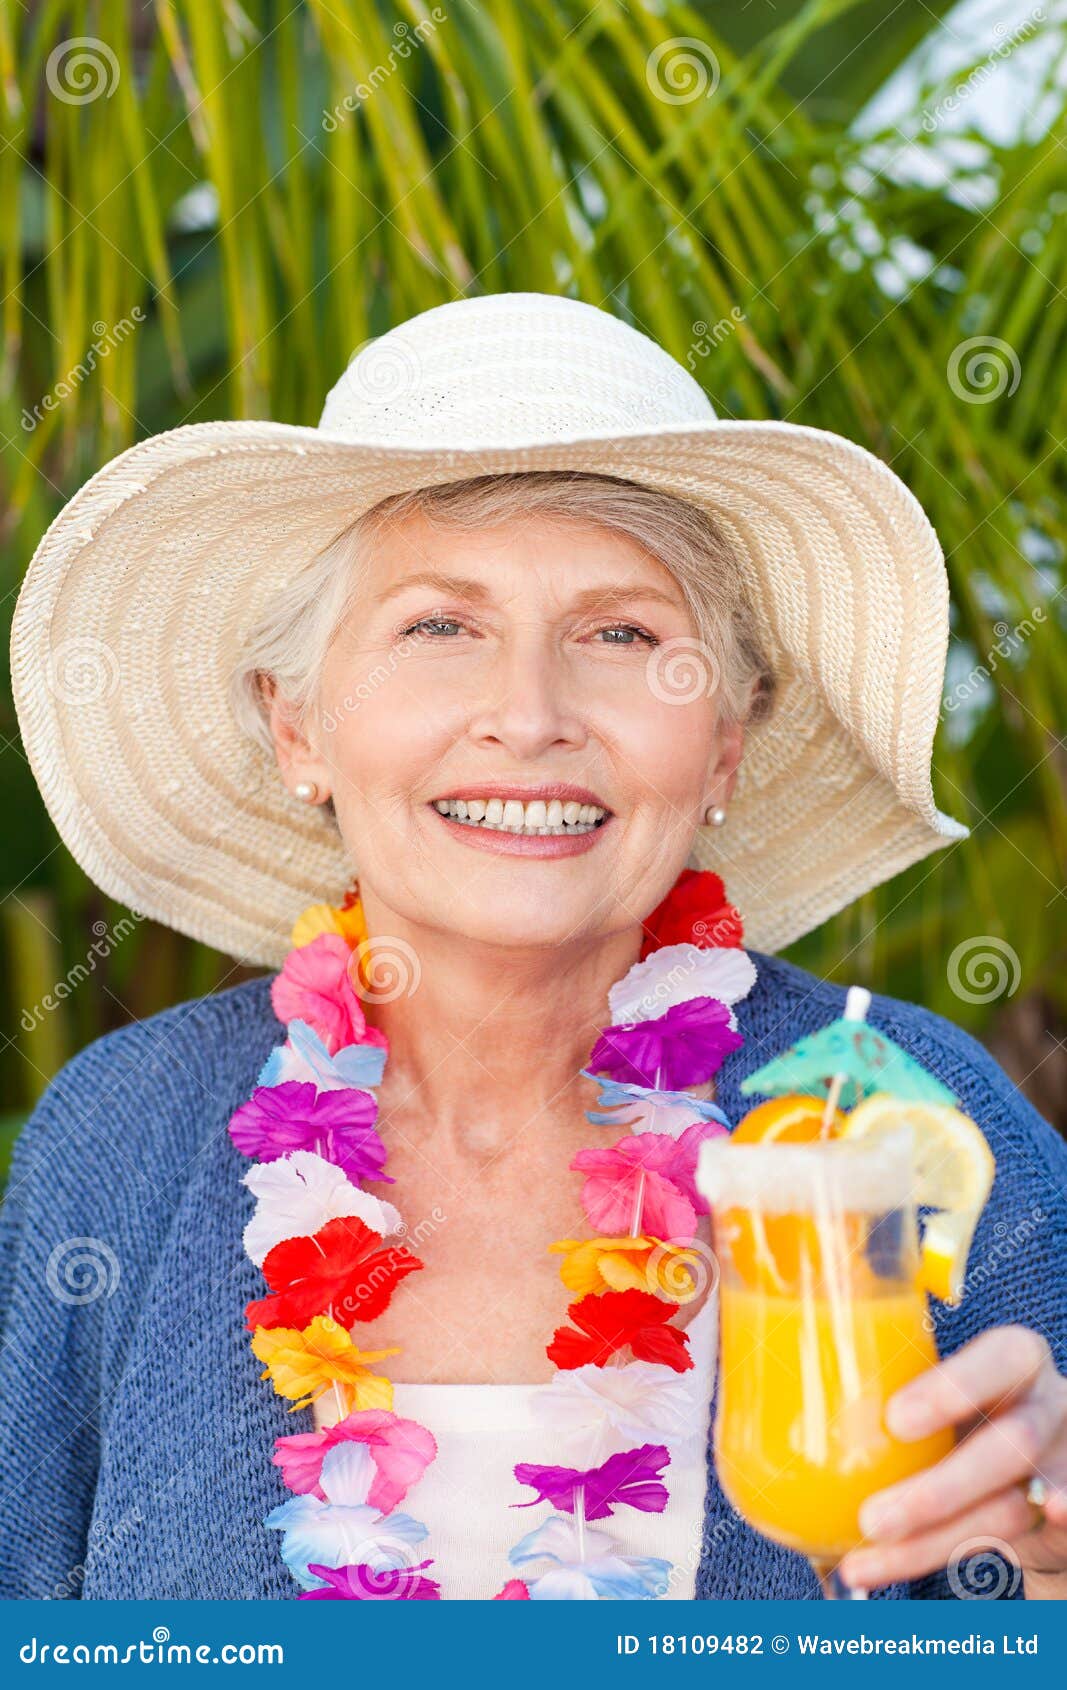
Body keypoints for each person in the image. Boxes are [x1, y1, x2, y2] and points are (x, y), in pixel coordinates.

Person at [3, 293, 1065, 1602]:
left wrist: (1049, 1600)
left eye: (623, 633)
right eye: (438, 627)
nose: (529, 714)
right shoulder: (122, 1138)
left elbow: (1022, 1584)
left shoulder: (896, 1115)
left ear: (725, 741)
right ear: (299, 728)